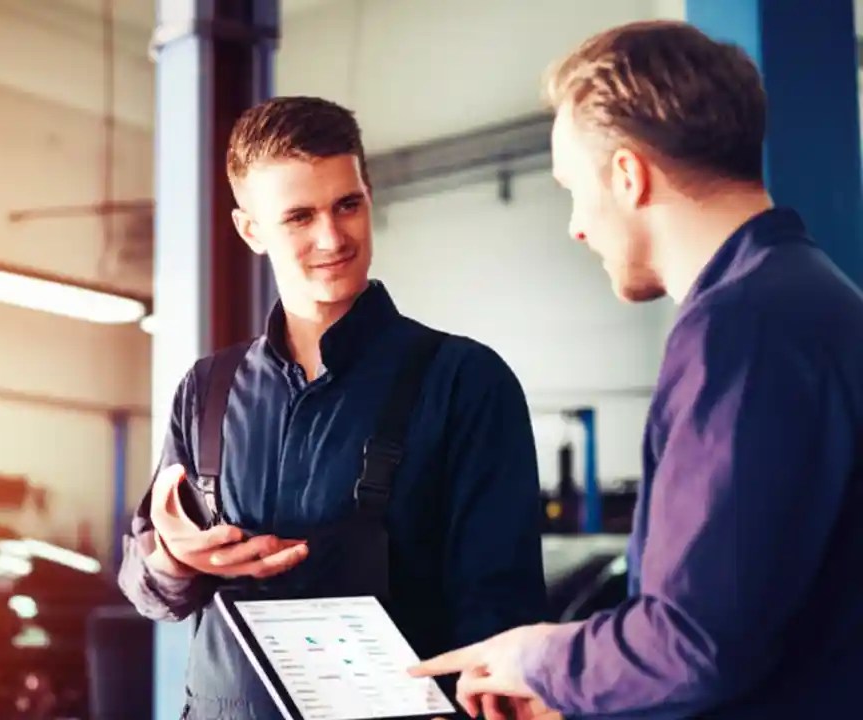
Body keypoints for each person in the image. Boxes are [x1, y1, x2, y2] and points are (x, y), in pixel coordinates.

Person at [410, 19, 863, 719]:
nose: (575, 225)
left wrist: (535, 659)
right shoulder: (814, 296)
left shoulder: (740, 332)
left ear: (628, 174)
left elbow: (696, 640)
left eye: (571, 187)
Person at [118, 95, 548, 719]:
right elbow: (147, 586)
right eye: (298, 217)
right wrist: (174, 558)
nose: (331, 237)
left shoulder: (464, 382)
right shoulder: (206, 391)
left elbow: (503, 616)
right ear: (251, 230)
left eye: (347, 204)